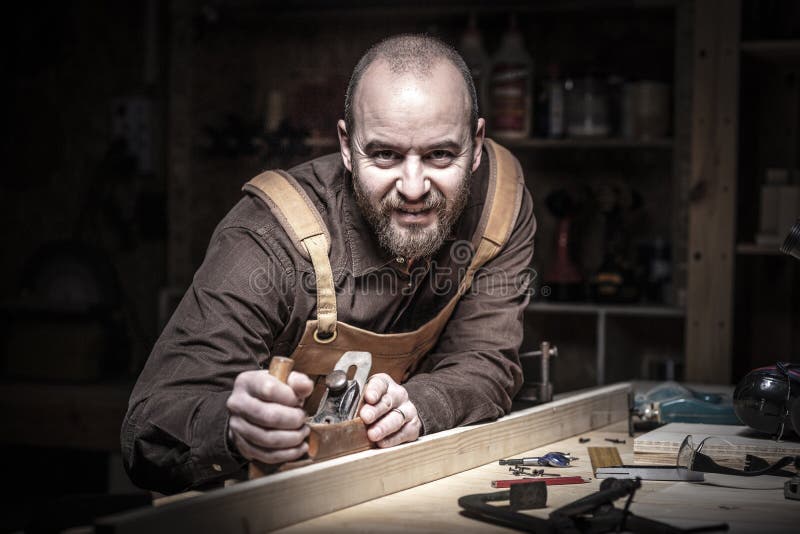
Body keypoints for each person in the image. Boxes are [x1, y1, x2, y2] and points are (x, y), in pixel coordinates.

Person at [121, 33, 537, 494]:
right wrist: (234, 430)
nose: (415, 187)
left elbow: (486, 361)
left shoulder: (501, 205)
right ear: (346, 144)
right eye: (385, 154)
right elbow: (146, 432)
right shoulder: (266, 239)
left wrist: (419, 406)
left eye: (440, 155)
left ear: (476, 145)